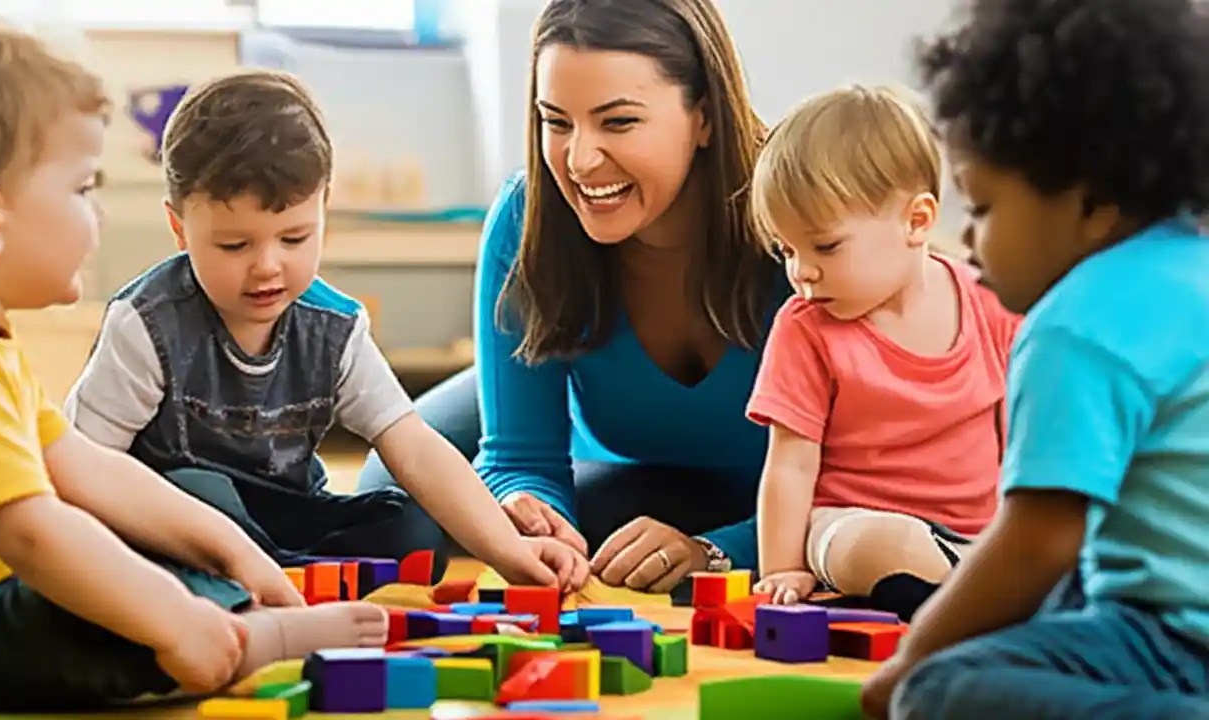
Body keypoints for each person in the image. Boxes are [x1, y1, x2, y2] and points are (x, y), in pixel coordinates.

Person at [0, 20, 393, 712]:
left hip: (3, 593)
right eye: (84, 189)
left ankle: (231, 618)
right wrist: (177, 622)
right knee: (99, 599)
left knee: (142, 570)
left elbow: (87, 469)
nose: (100, 215)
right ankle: (247, 640)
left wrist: (234, 552)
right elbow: (31, 529)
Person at [63, 70, 589, 592]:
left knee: (414, 530)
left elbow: (411, 446)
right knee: (202, 493)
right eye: (234, 246)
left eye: (294, 238)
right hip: (181, 518)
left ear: (323, 213)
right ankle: (244, 573)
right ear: (180, 229)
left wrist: (505, 547)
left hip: (289, 515)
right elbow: (83, 467)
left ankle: (273, 576)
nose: (267, 266)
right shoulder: (146, 324)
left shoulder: (334, 326)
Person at [358, 0, 790, 592]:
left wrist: (721, 550)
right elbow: (519, 458)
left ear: (706, 116)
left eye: (618, 123)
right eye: (556, 123)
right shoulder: (527, 218)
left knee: (633, 515)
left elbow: (871, 479)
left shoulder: (795, 221)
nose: (580, 160)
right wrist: (534, 513)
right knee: (388, 491)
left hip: (767, 483)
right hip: (607, 447)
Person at [860, 0, 1209, 717]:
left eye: (982, 209)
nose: (969, 244)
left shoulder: (1075, 323)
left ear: (1092, 203)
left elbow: (1039, 538)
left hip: (1171, 639)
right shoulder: (1191, 271)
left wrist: (913, 655)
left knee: (939, 689)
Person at [745, 85, 1021, 620]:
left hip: (977, 539)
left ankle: (969, 596)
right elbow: (790, 463)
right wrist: (779, 567)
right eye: (786, 250)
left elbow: (1020, 431)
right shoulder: (805, 328)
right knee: (884, 546)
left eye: (824, 246)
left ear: (917, 221)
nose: (800, 271)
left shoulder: (989, 302)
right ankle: (960, 603)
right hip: (852, 527)